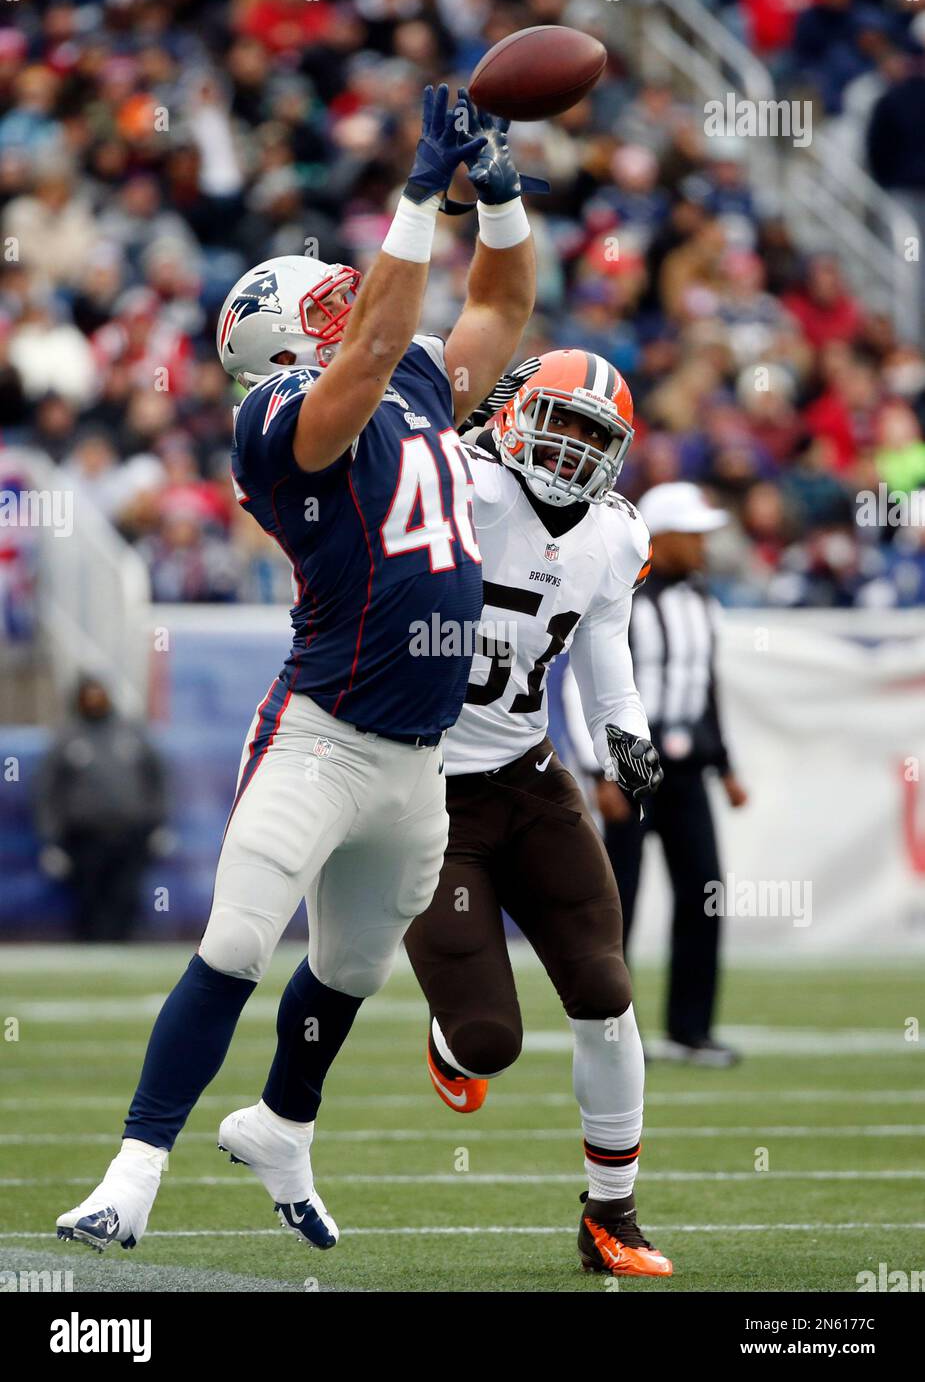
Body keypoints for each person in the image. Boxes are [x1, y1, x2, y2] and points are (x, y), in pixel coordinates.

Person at [56, 85, 538, 1254]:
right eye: (317, 302)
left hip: (418, 755)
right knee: (234, 943)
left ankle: (282, 1124)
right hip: (322, 733)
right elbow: (369, 345)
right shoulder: (278, 420)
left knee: (348, 971)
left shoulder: (411, 377)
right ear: (280, 341)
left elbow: (500, 307)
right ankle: (132, 1173)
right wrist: (421, 193)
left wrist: (504, 196)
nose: (346, 304)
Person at [402, 349, 673, 1278]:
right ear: (514, 414)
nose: (571, 448)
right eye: (559, 422)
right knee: (489, 1042)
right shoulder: (457, 486)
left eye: (594, 436)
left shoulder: (614, 536)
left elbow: (604, 655)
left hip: (528, 773)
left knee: (605, 992)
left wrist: (625, 737)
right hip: (425, 792)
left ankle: (612, 1214)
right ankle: (447, 1039)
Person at [566, 482, 748, 1068]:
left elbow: (705, 688)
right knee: (619, 901)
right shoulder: (625, 598)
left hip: (689, 768)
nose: (701, 545)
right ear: (660, 536)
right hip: (633, 767)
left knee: (704, 894)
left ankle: (691, 1030)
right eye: (690, 533)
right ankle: (610, 1029)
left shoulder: (703, 601)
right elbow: (584, 684)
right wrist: (601, 772)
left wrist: (725, 765)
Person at [34, 675, 168, 942]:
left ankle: (126, 949)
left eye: (99, 694)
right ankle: (90, 952)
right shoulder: (66, 737)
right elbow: (47, 791)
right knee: (89, 898)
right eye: (89, 695)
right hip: (85, 837)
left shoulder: (130, 732)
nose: (95, 700)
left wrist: (159, 824)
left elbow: (157, 778)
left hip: (130, 834)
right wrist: (51, 840)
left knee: (126, 895)